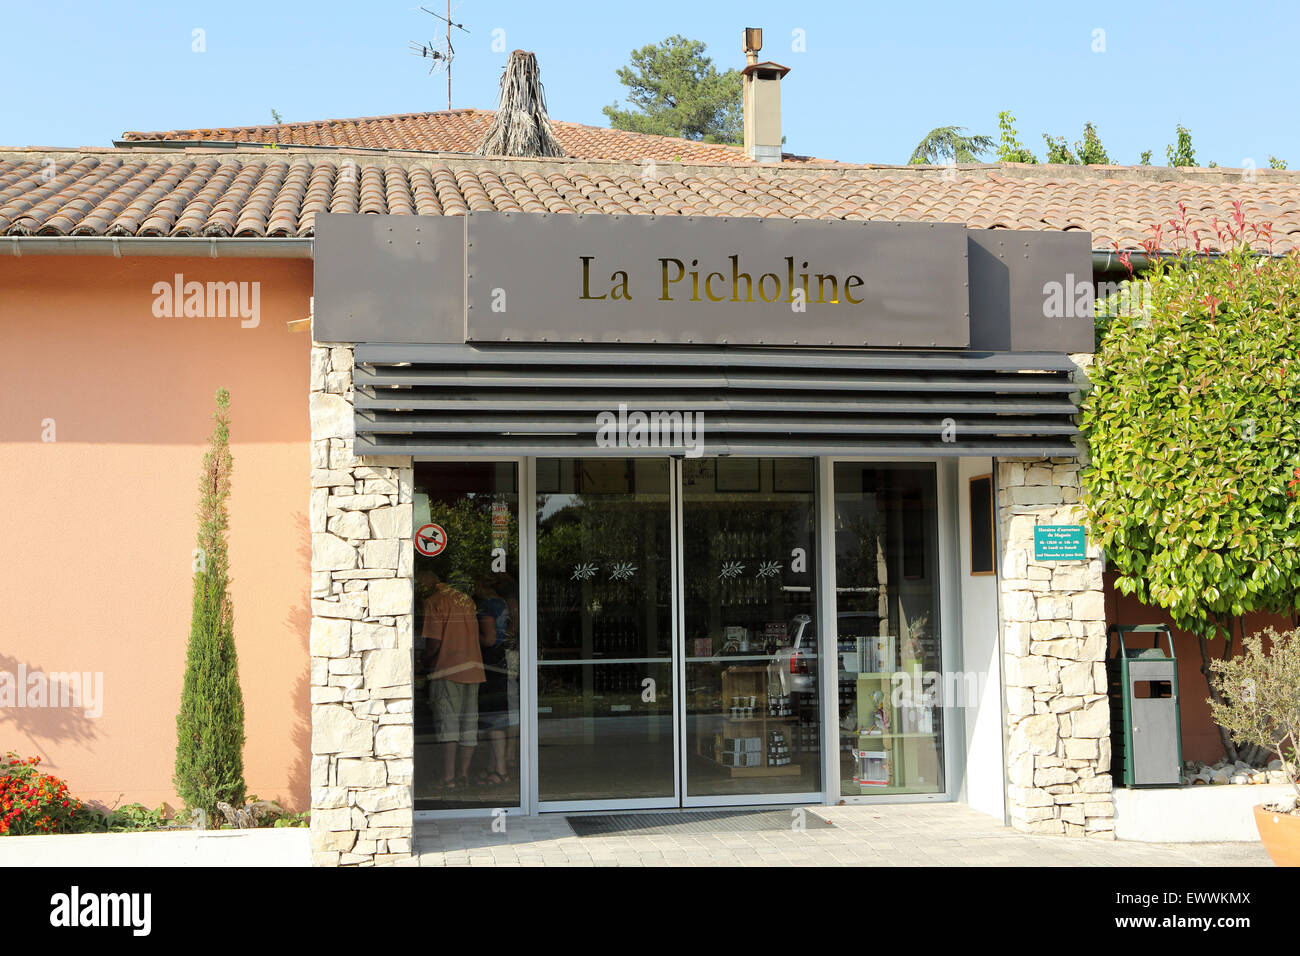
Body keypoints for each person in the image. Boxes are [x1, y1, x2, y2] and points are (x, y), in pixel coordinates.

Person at [419, 566, 492, 792]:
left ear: (428, 578)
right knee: (468, 724)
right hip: (474, 669)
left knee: (449, 725)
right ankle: (463, 775)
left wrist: (423, 658)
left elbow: (434, 642)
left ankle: (449, 778)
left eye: (419, 579)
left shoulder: (435, 601)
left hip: (447, 669)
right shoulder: (467, 600)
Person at [474, 573, 513, 787]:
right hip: (501, 660)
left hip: (489, 662)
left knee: (493, 717)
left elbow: (488, 639)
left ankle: (500, 770)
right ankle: (494, 766)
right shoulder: (503, 604)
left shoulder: (487, 606)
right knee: (496, 717)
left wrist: (471, 633)